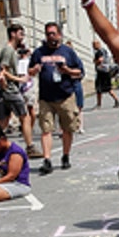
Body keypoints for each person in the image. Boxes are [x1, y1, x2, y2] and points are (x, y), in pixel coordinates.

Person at [29, 22, 84, 174]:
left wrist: (67, 70)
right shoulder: (39, 52)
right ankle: (47, 160)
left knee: (67, 128)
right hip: (46, 97)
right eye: (48, 34)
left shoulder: (68, 52)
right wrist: (34, 70)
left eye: (53, 33)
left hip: (65, 96)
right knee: (46, 129)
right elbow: (30, 70)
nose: (50, 37)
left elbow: (80, 72)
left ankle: (65, 156)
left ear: (59, 35)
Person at [0, 24, 37, 156]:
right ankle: (30, 147)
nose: (22, 37)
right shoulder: (8, 51)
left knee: (4, 121)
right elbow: (3, 70)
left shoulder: (11, 51)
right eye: (21, 34)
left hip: (8, 90)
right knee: (24, 117)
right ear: (13, 34)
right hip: (11, 90)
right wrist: (20, 80)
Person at [93, 40, 119, 108]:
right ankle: (100, 103)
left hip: (102, 72)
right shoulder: (104, 50)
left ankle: (99, 104)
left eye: (94, 45)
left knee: (100, 88)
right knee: (105, 88)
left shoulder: (99, 52)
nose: (93, 47)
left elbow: (100, 60)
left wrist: (95, 61)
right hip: (106, 71)